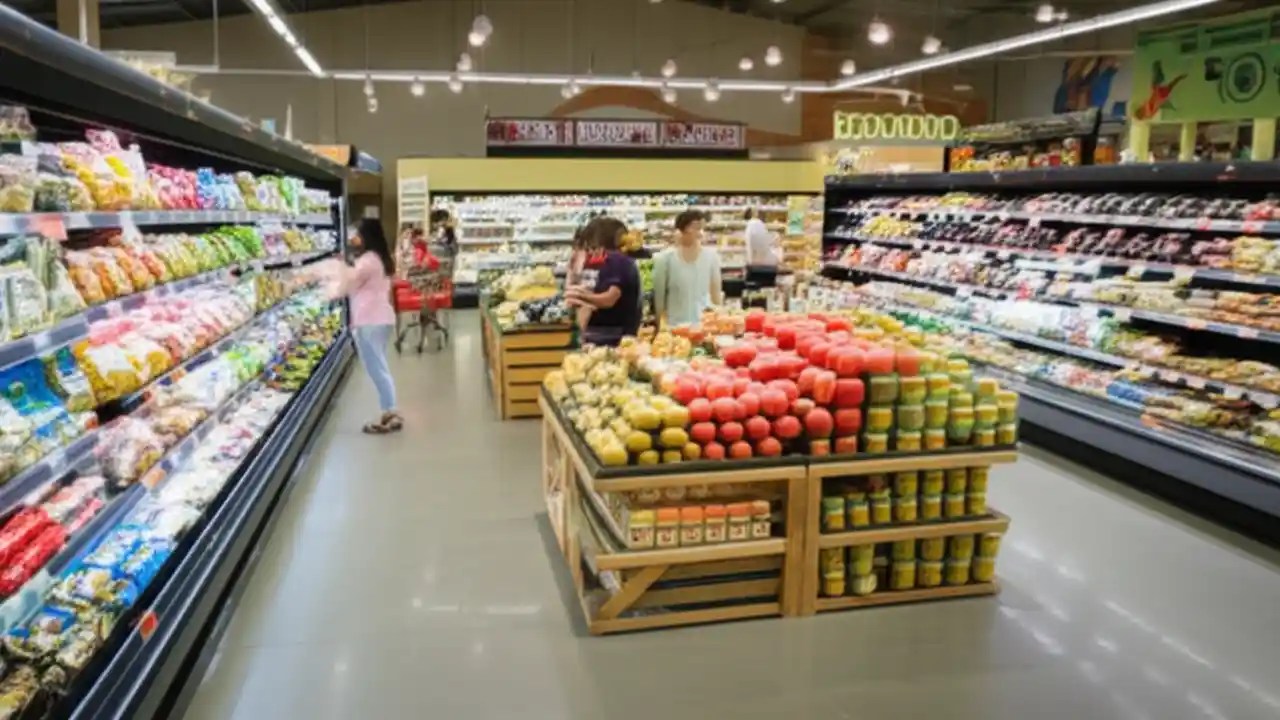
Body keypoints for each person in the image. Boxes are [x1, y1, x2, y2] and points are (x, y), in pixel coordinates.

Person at [340, 218, 401, 434]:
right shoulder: (381, 258)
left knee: (377, 369)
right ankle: (389, 411)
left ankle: (390, 412)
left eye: (357, 234)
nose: (353, 238)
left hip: (368, 319)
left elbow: (348, 284)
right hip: (382, 317)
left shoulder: (367, 261)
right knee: (380, 365)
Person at [565, 216, 640, 347]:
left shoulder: (615, 260)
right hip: (617, 336)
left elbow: (610, 298)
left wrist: (581, 296)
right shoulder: (618, 261)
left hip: (609, 337)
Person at [653, 209, 722, 327]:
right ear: (683, 229)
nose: (701, 233)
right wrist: (659, 326)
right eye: (697, 228)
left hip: (704, 326)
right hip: (675, 327)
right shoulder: (664, 259)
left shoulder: (712, 257)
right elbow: (659, 299)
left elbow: (716, 296)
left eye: (701, 228)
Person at [743, 207, 779, 289]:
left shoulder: (751, 226)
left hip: (755, 266)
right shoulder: (756, 224)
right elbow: (761, 245)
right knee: (765, 293)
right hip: (763, 268)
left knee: (755, 294)